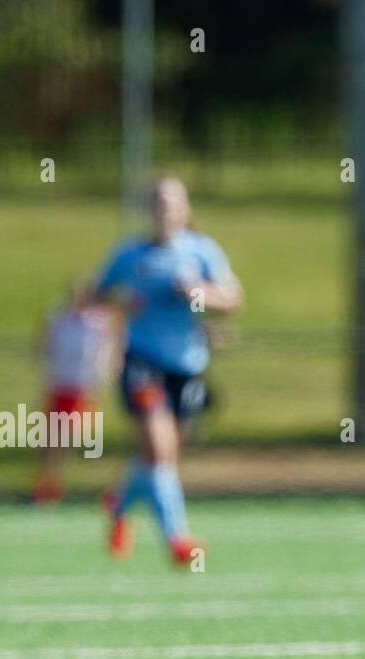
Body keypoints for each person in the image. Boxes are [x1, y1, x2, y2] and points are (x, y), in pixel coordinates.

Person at [89, 176, 242, 565]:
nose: (164, 209)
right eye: (157, 202)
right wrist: (124, 303)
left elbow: (233, 298)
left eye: (171, 202)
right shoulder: (130, 255)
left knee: (162, 456)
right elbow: (94, 296)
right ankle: (178, 539)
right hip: (142, 362)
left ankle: (120, 503)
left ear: (185, 209)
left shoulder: (201, 251)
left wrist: (198, 294)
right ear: (148, 209)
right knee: (159, 450)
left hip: (187, 366)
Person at [31, 286, 118, 504]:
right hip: (60, 383)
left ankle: (84, 485)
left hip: (83, 386)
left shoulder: (98, 322)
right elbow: (44, 345)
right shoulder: (59, 319)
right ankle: (47, 484)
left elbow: (111, 346)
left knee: (75, 435)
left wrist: (107, 371)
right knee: (51, 437)